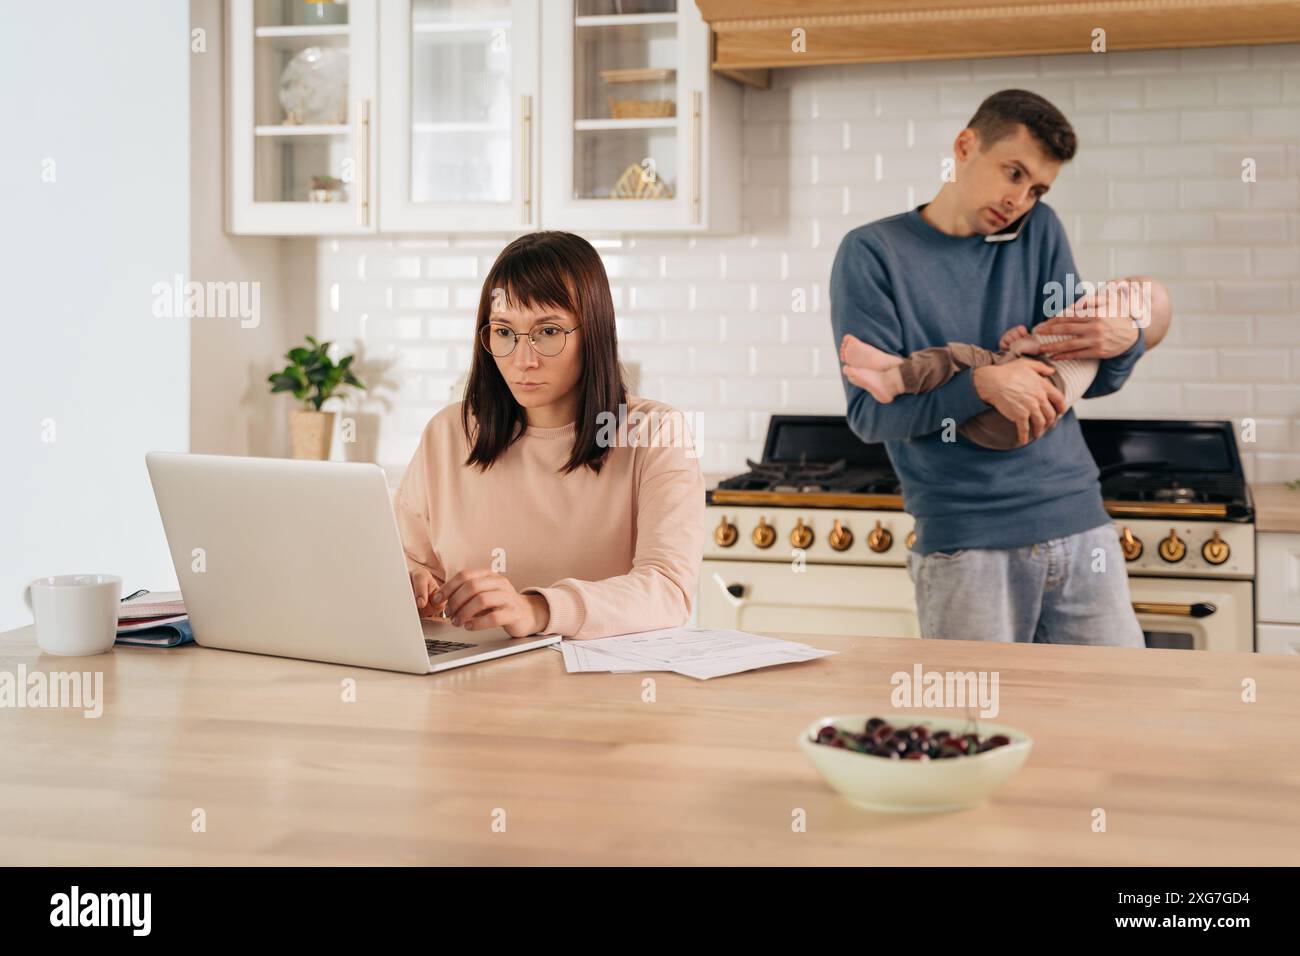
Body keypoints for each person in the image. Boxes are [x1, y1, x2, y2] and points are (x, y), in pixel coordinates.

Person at [829, 89, 1164, 646]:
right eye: (1014, 173)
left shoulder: (1039, 232)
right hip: (967, 546)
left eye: (1036, 189)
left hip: (1080, 527)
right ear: (965, 147)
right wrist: (981, 386)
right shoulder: (872, 253)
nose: (1021, 200)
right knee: (980, 727)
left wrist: (1125, 338)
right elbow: (869, 415)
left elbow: (1080, 375)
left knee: (1117, 718)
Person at [394, 231, 704, 640]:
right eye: (504, 332)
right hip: (472, 684)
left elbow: (667, 591)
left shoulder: (656, 435)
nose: (524, 360)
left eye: (548, 332)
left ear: (593, 332)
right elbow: (408, 562)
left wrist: (537, 609)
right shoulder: (448, 434)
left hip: (608, 690)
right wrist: (414, 585)